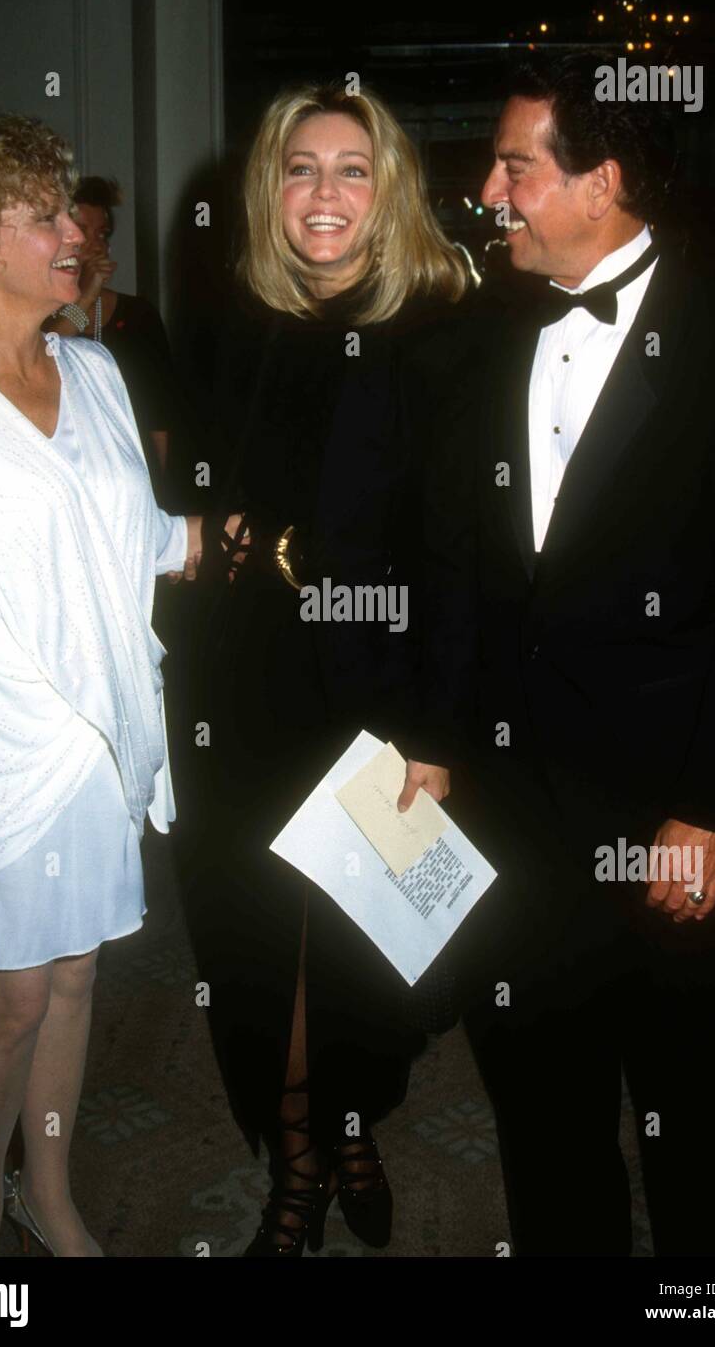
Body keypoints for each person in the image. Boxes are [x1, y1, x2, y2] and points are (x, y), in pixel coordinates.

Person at [401, 50, 715, 1255]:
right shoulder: (483, 338)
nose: (487, 188)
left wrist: (708, 809)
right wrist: (434, 739)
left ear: (604, 181)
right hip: (511, 819)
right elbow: (459, 573)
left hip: (666, 818)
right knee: (544, 1125)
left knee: (695, 1128)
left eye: (514, 166)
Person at [0, 112, 209, 1256]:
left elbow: (138, 537)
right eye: (48, 215)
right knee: (9, 997)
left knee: (74, 980)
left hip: (97, 734)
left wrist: (258, 534)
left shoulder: (98, 369)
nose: (78, 233)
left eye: (70, 211)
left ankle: (48, 1189)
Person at [180, 83, 469, 1256]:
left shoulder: (449, 332)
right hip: (244, 678)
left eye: (352, 170)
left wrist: (441, 729)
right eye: (301, 168)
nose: (324, 194)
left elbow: (470, 552)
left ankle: (353, 1122)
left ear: (387, 188)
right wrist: (236, 531)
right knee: (260, 931)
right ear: (270, 186)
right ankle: (297, 1157)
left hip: (385, 684)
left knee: (366, 934)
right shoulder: (229, 319)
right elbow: (195, 492)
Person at [44, 175, 186, 498]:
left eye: (102, 234)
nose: (95, 245)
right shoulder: (38, 314)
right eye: (81, 231)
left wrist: (158, 493)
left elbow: (158, 417)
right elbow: (45, 349)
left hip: (130, 487)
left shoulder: (138, 316)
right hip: (64, 486)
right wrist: (86, 296)